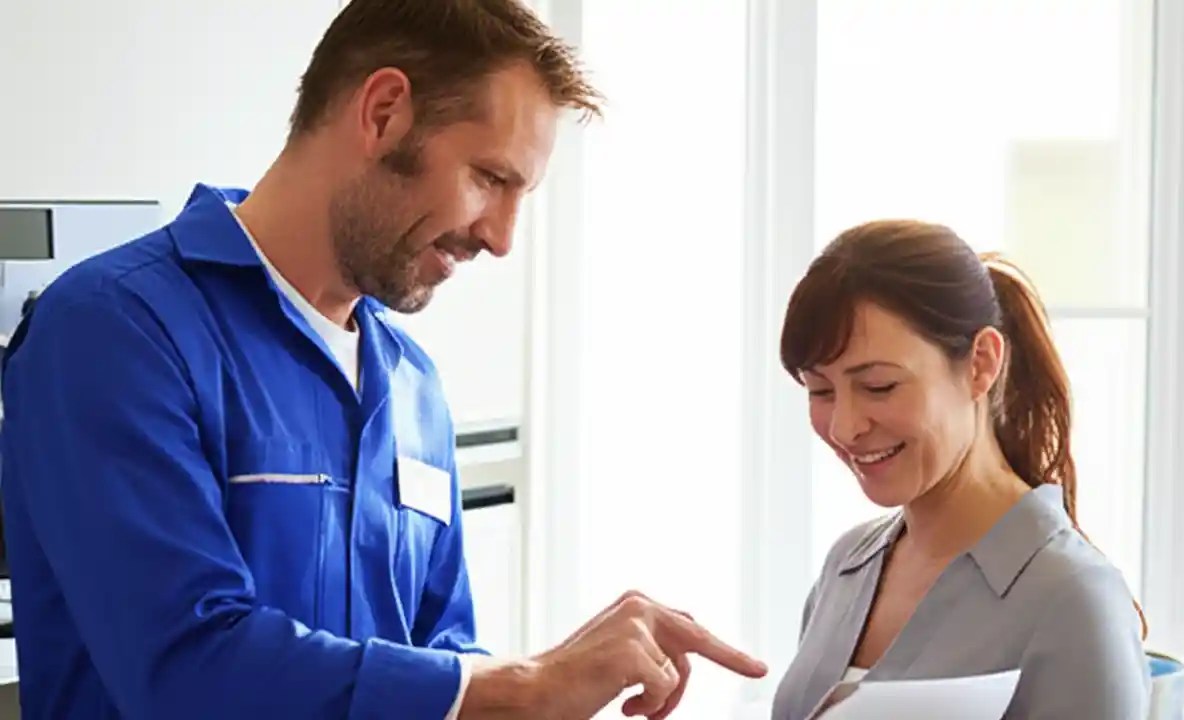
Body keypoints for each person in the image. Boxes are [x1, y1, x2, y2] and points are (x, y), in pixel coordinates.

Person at [0, 1, 766, 718]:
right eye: (489, 178)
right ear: (384, 112)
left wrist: (546, 681)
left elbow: (445, 659)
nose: (501, 238)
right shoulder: (113, 330)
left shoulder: (412, 385)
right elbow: (184, 668)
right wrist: (528, 684)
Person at [768, 220, 1150, 719]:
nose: (844, 427)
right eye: (820, 391)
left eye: (879, 386)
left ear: (981, 364)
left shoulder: (1073, 600)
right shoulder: (847, 566)